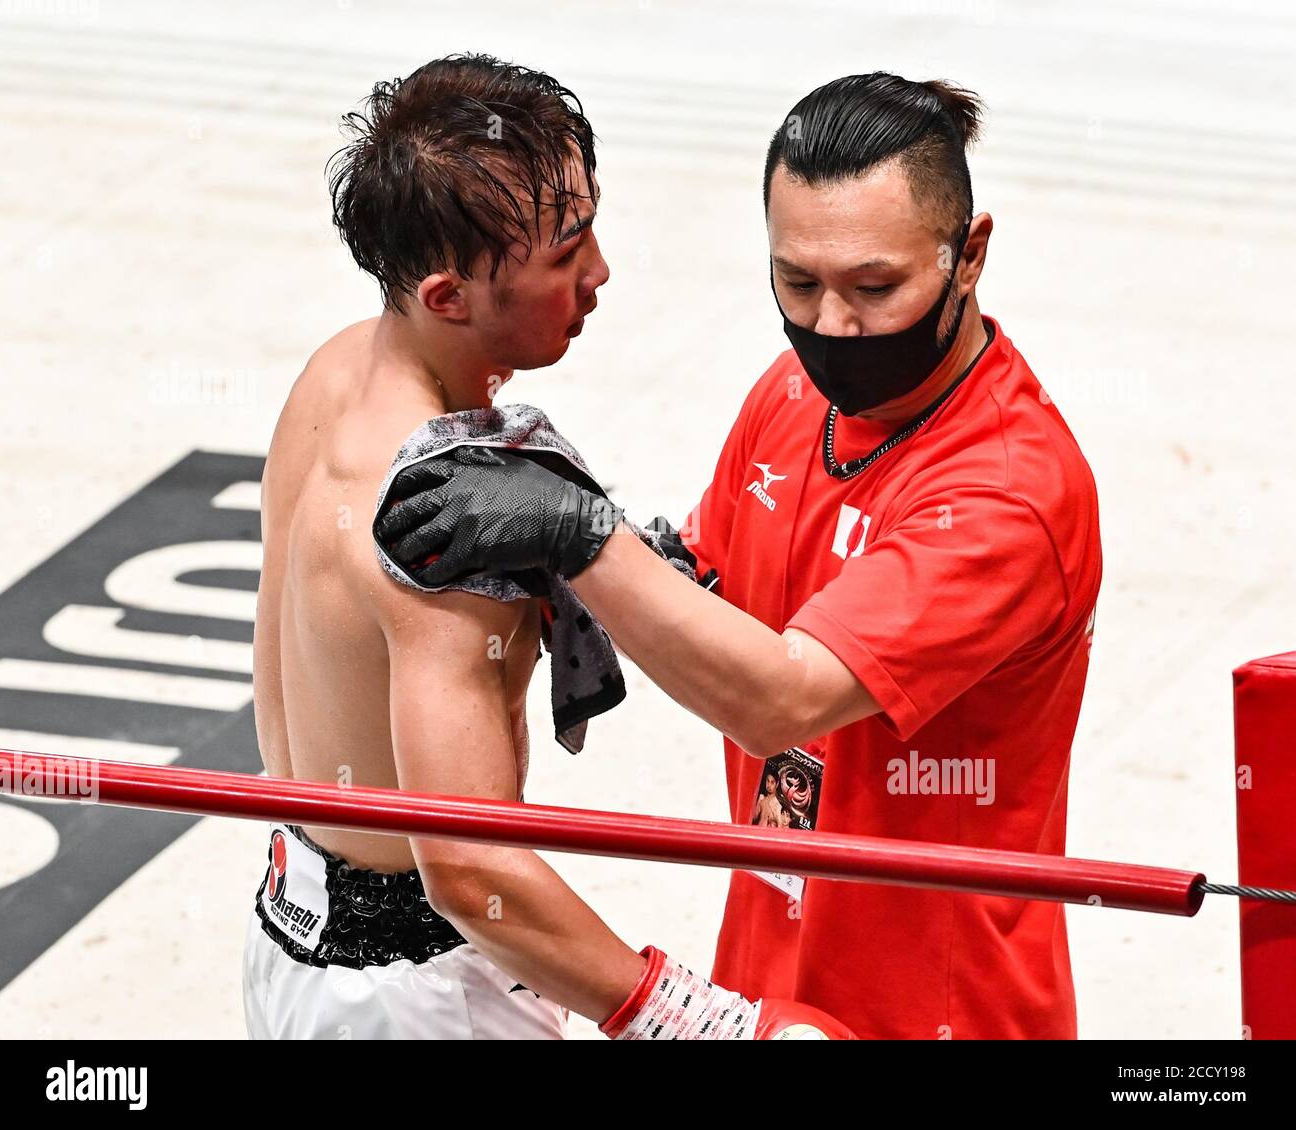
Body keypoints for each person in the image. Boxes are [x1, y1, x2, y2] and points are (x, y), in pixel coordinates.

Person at [376, 72, 1103, 1039]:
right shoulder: (795, 397)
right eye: (797, 282)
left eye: (876, 288)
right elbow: (705, 584)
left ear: (967, 256)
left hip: (933, 1010)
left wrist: (576, 532)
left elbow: (781, 699)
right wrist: (590, 570)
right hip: (770, 982)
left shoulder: (1008, 492)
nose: (833, 326)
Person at [246, 53, 851, 1041]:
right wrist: (700, 1022)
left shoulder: (338, 369)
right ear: (447, 296)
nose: (600, 272)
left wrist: (615, 554)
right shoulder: (445, 520)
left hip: (292, 933)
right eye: (565, 250)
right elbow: (471, 868)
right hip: (422, 998)